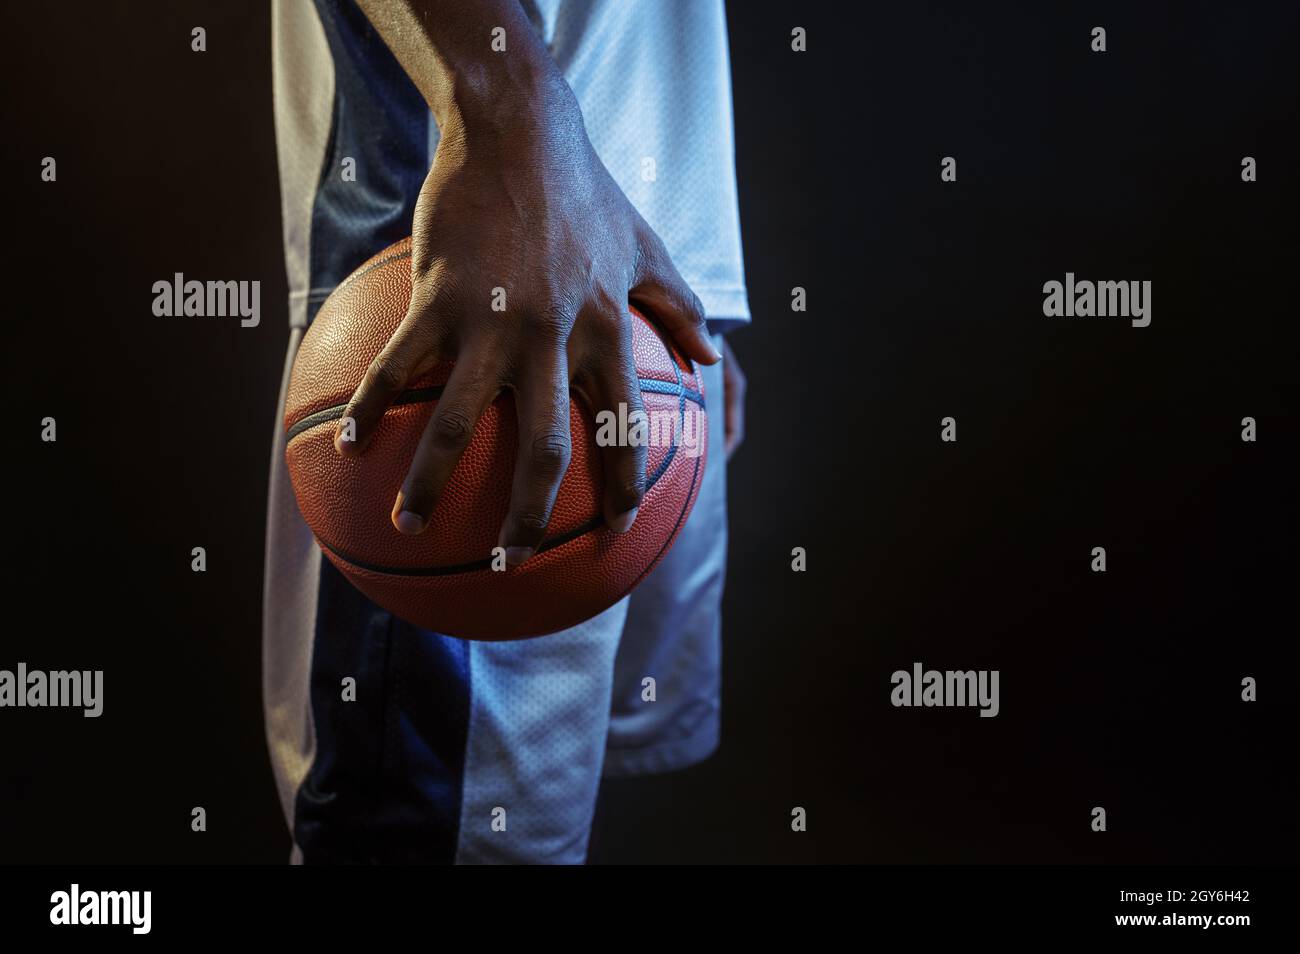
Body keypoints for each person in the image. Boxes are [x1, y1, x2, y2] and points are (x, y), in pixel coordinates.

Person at [265, 0, 749, 864]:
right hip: (481, 263)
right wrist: (503, 113)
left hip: (630, 282)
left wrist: (690, 305)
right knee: (437, 844)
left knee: (535, 821)